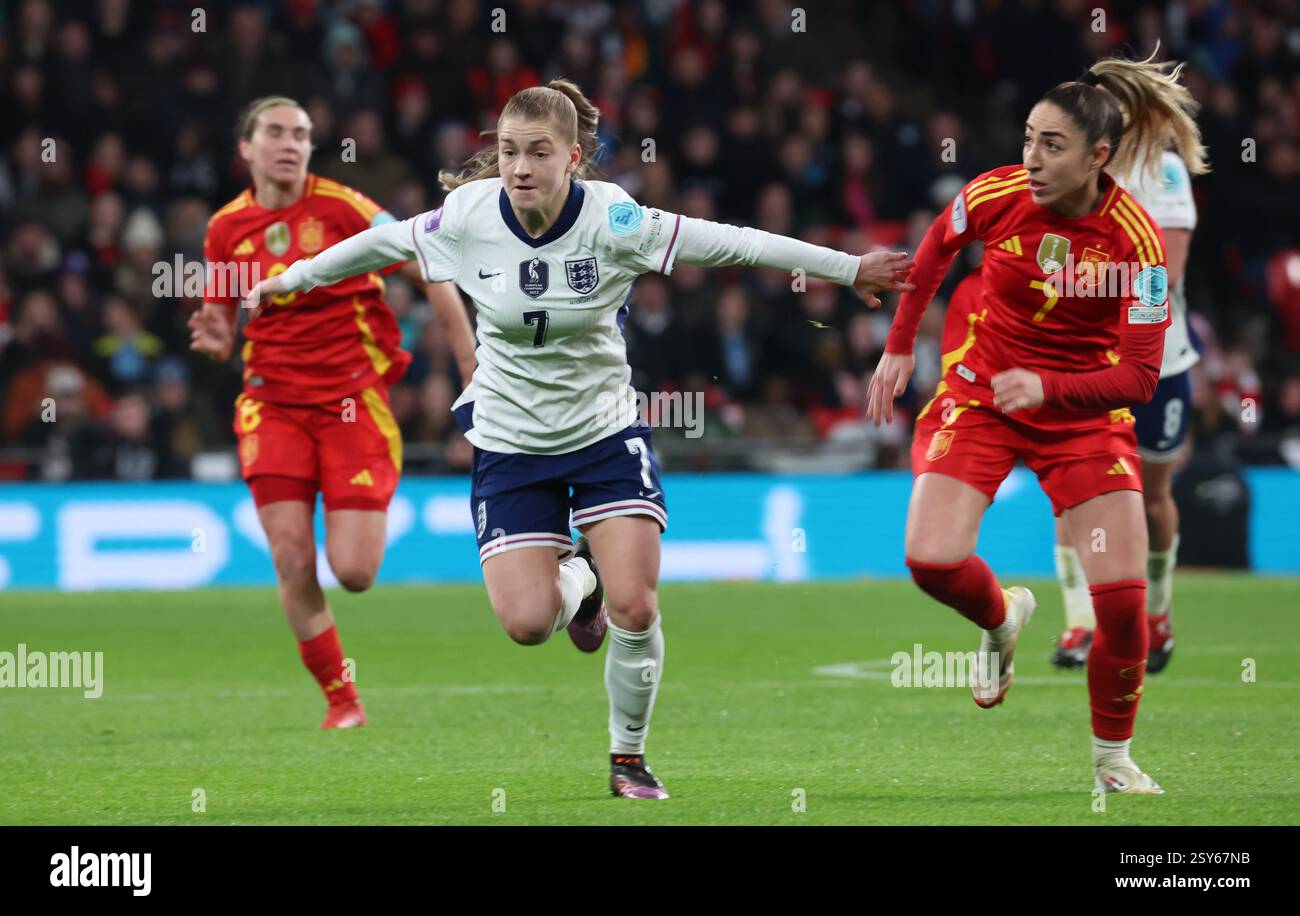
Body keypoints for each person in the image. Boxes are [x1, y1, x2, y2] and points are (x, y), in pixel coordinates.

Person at [244, 79, 913, 797]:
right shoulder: (467, 217)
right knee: (528, 625)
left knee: (639, 605)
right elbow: (378, 245)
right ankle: (580, 578)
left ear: (574, 156)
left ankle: (628, 758)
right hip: (508, 442)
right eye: (507, 152)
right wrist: (293, 279)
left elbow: (735, 246)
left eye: (538, 152)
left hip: (602, 433)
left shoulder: (615, 222)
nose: (521, 167)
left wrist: (847, 269)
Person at [867, 52, 1208, 794]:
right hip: (983, 395)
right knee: (930, 562)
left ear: (1099, 157)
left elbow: (1142, 378)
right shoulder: (995, 191)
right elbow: (932, 253)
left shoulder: (1138, 244)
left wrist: (1049, 386)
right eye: (1028, 138)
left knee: (1122, 607)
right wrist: (899, 347)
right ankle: (1001, 621)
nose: (1031, 159)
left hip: (1082, 416)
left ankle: (1111, 759)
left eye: (1051, 146)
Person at [190, 96, 476, 729]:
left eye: (301, 134)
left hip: (352, 403)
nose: (289, 143)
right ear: (246, 147)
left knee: (353, 571)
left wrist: (467, 362)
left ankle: (344, 688)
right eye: (275, 132)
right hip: (271, 405)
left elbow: (430, 263)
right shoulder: (223, 229)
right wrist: (216, 336)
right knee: (291, 558)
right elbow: (221, 316)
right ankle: (342, 702)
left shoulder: (346, 208)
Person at [1051, 149, 1199, 674]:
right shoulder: (1065, 166)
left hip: (1158, 360)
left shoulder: (1163, 169)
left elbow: (1168, 274)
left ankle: (1157, 611)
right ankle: (1080, 622)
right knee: (1072, 489)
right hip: (1082, 359)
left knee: (1154, 498)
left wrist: (1086, 286)